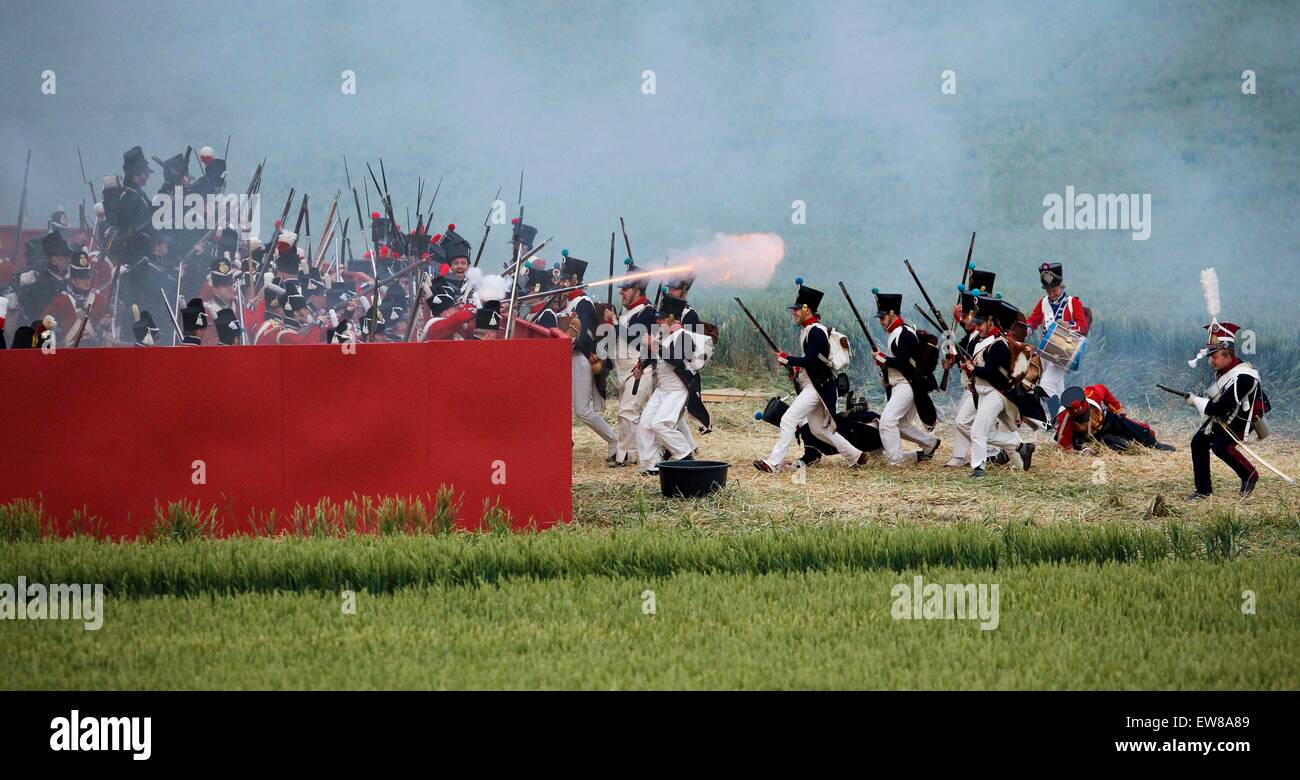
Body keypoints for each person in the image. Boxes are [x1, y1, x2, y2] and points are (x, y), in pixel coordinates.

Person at [755, 280, 868, 473]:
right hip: (817, 385)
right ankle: (855, 455)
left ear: (807, 309)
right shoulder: (810, 330)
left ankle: (774, 464)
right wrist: (796, 370)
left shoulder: (815, 331)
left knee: (788, 420)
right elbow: (813, 363)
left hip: (818, 387)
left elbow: (811, 360)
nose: (794, 313)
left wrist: (788, 359)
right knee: (819, 429)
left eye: (797, 309)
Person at [1185, 322, 1266, 499]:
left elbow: (1220, 408)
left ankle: (1249, 475)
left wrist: (1196, 401)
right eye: (1210, 356)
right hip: (1230, 411)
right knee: (1198, 442)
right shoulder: (1223, 369)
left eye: (1214, 356)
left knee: (1221, 446)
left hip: (1245, 416)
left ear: (1228, 355)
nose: (1210, 360)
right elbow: (1220, 400)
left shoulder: (1243, 377)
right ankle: (1203, 491)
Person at [958, 296, 1036, 477]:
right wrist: (969, 370)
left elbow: (991, 373)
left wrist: (973, 368)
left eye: (980, 323)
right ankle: (1021, 447)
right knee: (985, 433)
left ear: (991, 321)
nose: (977, 327)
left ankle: (979, 469)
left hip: (997, 392)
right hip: (983, 391)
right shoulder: (980, 341)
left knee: (978, 431)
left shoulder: (999, 344)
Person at [634, 295, 707, 475]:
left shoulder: (684, 336)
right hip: (663, 388)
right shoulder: (663, 335)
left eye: (661, 318)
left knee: (660, 424)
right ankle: (651, 465)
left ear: (672, 318)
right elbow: (657, 357)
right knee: (644, 425)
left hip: (678, 389)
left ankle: (685, 454)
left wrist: (655, 345)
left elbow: (675, 359)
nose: (657, 320)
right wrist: (641, 367)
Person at [556, 253, 617, 460]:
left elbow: (583, 336)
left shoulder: (583, 303)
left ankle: (614, 440)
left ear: (575, 280)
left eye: (566, 279)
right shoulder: (567, 304)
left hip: (580, 358)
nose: (562, 283)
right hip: (567, 359)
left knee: (582, 410)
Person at [870, 289, 941, 465]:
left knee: (887, 422)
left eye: (883, 317)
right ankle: (930, 443)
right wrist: (883, 361)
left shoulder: (905, 333)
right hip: (901, 383)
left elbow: (902, 362)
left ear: (893, 314)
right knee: (900, 424)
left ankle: (896, 461)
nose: (881, 321)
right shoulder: (896, 333)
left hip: (908, 383)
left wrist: (883, 359)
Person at [1024, 261, 1089, 420]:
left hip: (1064, 351)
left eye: (1054, 290)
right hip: (1046, 350)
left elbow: (1083, 326)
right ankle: (1065, 420)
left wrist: (1069, 325)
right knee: (1058, 391)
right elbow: (1033, 320)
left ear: (1061, 286)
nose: (1051, 293)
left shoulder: (1073, 303)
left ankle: (1052, 420)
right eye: (1048, 290)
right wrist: (1026, 329)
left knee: (1045, 386)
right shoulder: (1043, 302)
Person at [945, 270, 996, 468]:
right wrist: (954, 357)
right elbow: (965, 349)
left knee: (968, 423)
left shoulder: (991, 325)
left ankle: (995, 450)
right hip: (975, 385)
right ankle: (961, 455)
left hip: (988, 385)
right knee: (963, 419)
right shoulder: (975, 333)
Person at [609, 260, 656, 467]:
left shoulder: (647, 311)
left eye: (626, 289)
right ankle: (633, 454)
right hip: (625, 371)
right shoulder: (628, 312)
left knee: (628, 412)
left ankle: (627, 456)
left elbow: (636, 338)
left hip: (640, 370)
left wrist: (614, 323)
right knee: (629, 413)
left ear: (638, 290)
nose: (622, 293)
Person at [1055, 385, 1174, 453]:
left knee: (1129, 425)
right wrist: (1082, 450)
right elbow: (1065, 444)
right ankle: (1135, 450)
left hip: (1106, 420)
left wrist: (1117, 408)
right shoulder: (1063, 418)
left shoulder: (1093, 393)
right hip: (1092, 436)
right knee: (1118, 444)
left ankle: (1153, 444)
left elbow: (1104, 390)